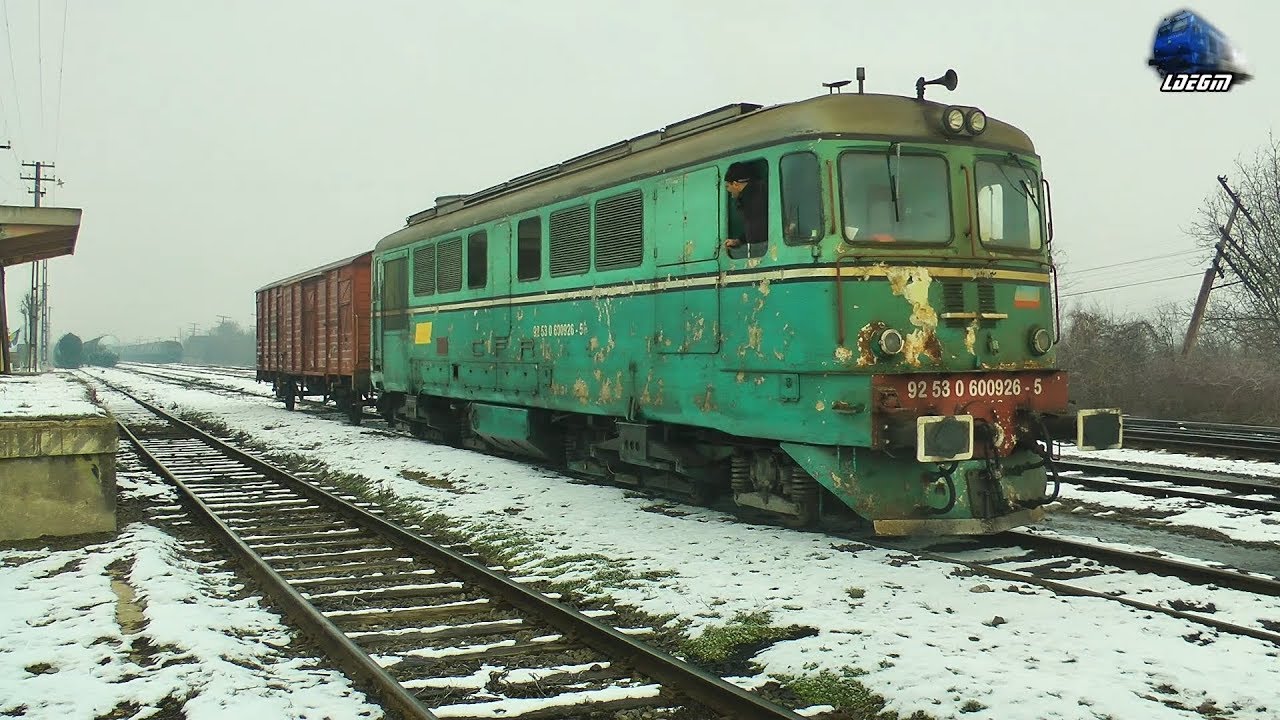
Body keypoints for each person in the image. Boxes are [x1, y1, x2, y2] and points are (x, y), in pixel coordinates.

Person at [723, 162, 767, 254]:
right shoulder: (761, 189)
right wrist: (739, 241)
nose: (728, 189)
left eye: (727, 186)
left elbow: (756, 230)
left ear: (735, 184)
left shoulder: (749, 198)